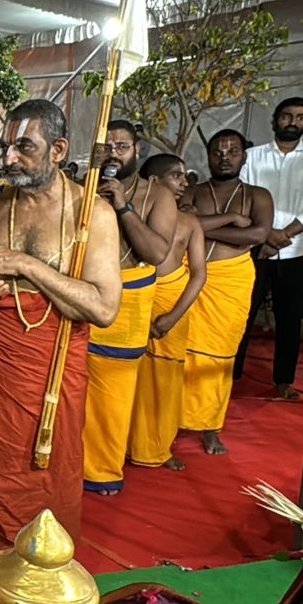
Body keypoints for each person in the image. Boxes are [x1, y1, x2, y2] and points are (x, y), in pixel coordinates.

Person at [0, 99, 121, 604]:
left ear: (58, 150)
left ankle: (38, 576)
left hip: (50, 375)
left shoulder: (92, 216)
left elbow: (103, 308)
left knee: (45, 475)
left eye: (24, 147)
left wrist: (29, 267)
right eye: (6, 146)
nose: (9, 158)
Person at [81, 120, 178, 495]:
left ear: (138, 150)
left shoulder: (158, 195)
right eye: (106, 147)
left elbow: (156, 252)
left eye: (121, 147)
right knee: (72, 385)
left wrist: (123, 206)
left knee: (113, 394)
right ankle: (68, 462)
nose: (112, 154)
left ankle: (102, 470)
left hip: (129, 299)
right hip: (84, 295)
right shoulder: (84, 188)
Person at [181, 130, 273, 455]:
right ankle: (171, 420)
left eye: (233, 151)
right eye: (217, 151)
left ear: (244, 157)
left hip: (231, 279)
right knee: (180, 352)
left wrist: (202, 226)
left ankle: (210, 427)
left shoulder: (258, 195)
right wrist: (232, 221)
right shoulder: (192, 190)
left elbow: (259, 234)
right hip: (190, 276)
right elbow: (181, 221)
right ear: (208, 155)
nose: (224, 157)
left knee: (220, 355)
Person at [127, 154, 207, 470]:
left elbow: (199, 275)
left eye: (185, 176)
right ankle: (120, 443)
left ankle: (156, 446)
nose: (184, 183)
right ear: (153, 182)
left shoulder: (190, 223)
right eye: (176, 176)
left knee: (164, 380)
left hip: (170, 305)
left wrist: (172, 317)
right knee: (126, 375)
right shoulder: (128, 217)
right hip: (133, 300)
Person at [235, 97, 303, 399]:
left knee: (290, 318)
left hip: (297, 250)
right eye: (287, 116)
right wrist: (265, 236)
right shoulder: (251, 157)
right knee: (243, 313)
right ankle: (230, 375)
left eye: (300, 117)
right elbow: (241, 197)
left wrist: (283, 235)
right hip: (254, 248)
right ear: (275, 120)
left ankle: (283, 381)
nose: (293, 122)